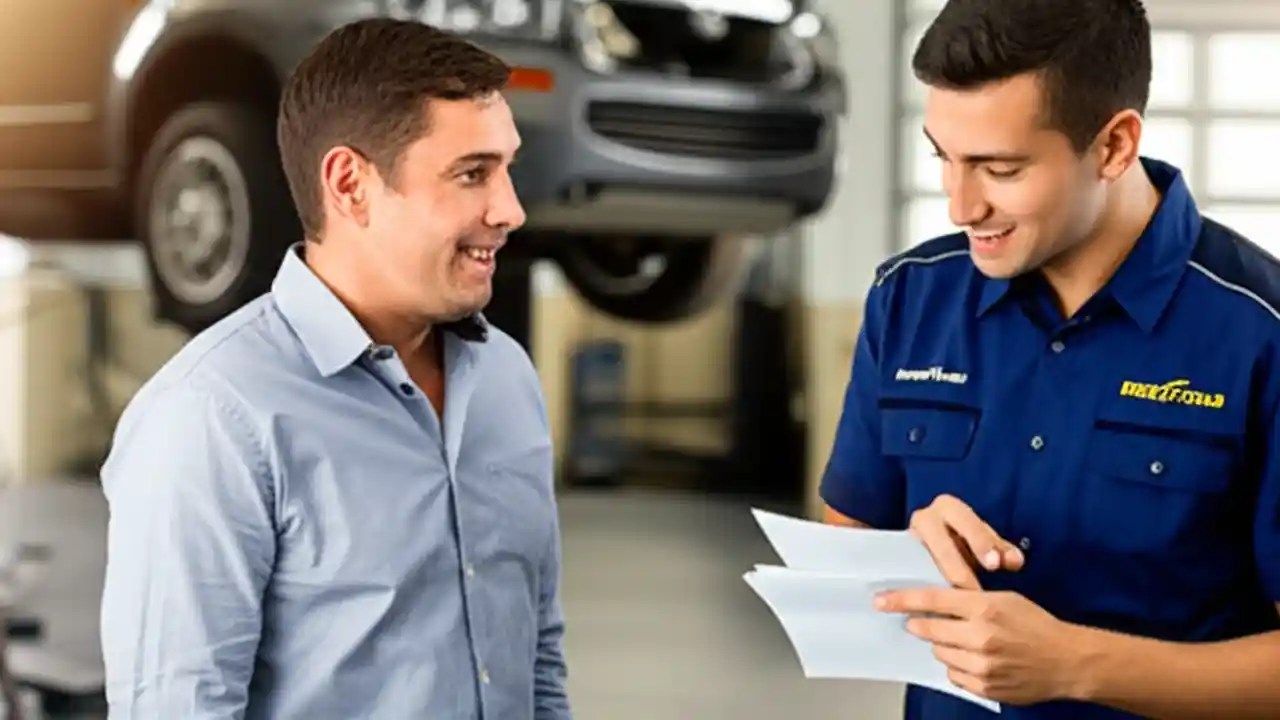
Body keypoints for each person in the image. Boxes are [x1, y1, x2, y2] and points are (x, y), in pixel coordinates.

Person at [98, 18, 571, 719]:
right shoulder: (211, 419)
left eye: (508, 169)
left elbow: (537, 660)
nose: (510, 210)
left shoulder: (506, 379)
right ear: (351, 185)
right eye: (473, 174)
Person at [820, 0, 1280, 718]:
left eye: (999, 169)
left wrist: (1076, 664)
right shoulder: (909, 299)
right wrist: (909, 551)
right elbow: (847, 540)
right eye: (943, 158)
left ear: (1114, 146)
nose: (960, 206)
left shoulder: (1261, 333)